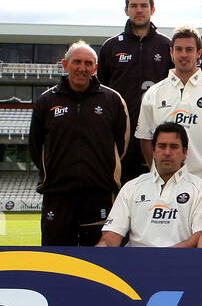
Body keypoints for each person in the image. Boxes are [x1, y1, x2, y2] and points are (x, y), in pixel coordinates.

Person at [29, 41, 130, 246]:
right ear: (65, 64)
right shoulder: (46, 101)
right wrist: (57, 172)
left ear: (95, 68)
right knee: (56, 259)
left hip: (100, 194)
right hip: (58, 195)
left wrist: (99, 170)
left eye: (88, 63)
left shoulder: (112, 100)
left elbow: (122, 145)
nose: (82, 68)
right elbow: (35, 146)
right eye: (76, 62)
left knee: (100, 259)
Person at [135, 25, 202, 187]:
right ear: (171, 53)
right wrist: (158, 170)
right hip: (164, 179)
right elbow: (145, 138)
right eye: (179, 49)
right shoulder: (154, 92)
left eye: (189, 49)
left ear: (199, 53)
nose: (184, 55)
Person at [98, 0, 172, 182]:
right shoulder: (111, 47)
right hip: (121, 130)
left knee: (158, 187)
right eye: (134, 6)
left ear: (152, 10)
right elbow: (101, 91)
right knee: (123, 189)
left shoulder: (167, 46)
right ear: (126, 10)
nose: (139, 10)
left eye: (144, 6)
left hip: (157, 129)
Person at [97, 122, 202, 248]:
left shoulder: (201, 188)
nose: (167, 152)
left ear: (185, 152)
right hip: (137, 258)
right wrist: (102, 247)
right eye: (162, 146)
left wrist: (163, 256)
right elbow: (112, 234)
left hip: (180, 258)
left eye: (174, 147)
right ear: (153, 151)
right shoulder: (132, 187)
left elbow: (200, 236)